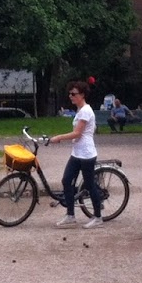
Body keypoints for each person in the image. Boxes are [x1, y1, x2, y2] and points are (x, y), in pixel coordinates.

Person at [46, 80, 103, 229]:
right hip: (77, 152)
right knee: (66, 180)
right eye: (70, 94)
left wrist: (59, 138)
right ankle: (71, 215)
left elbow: (78, 133)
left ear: (82, 95)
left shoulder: (85, 111)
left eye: (74, 94)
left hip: (86, 153)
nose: (71, 96)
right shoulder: (80, 110)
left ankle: (98, 217)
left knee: (90, 185)